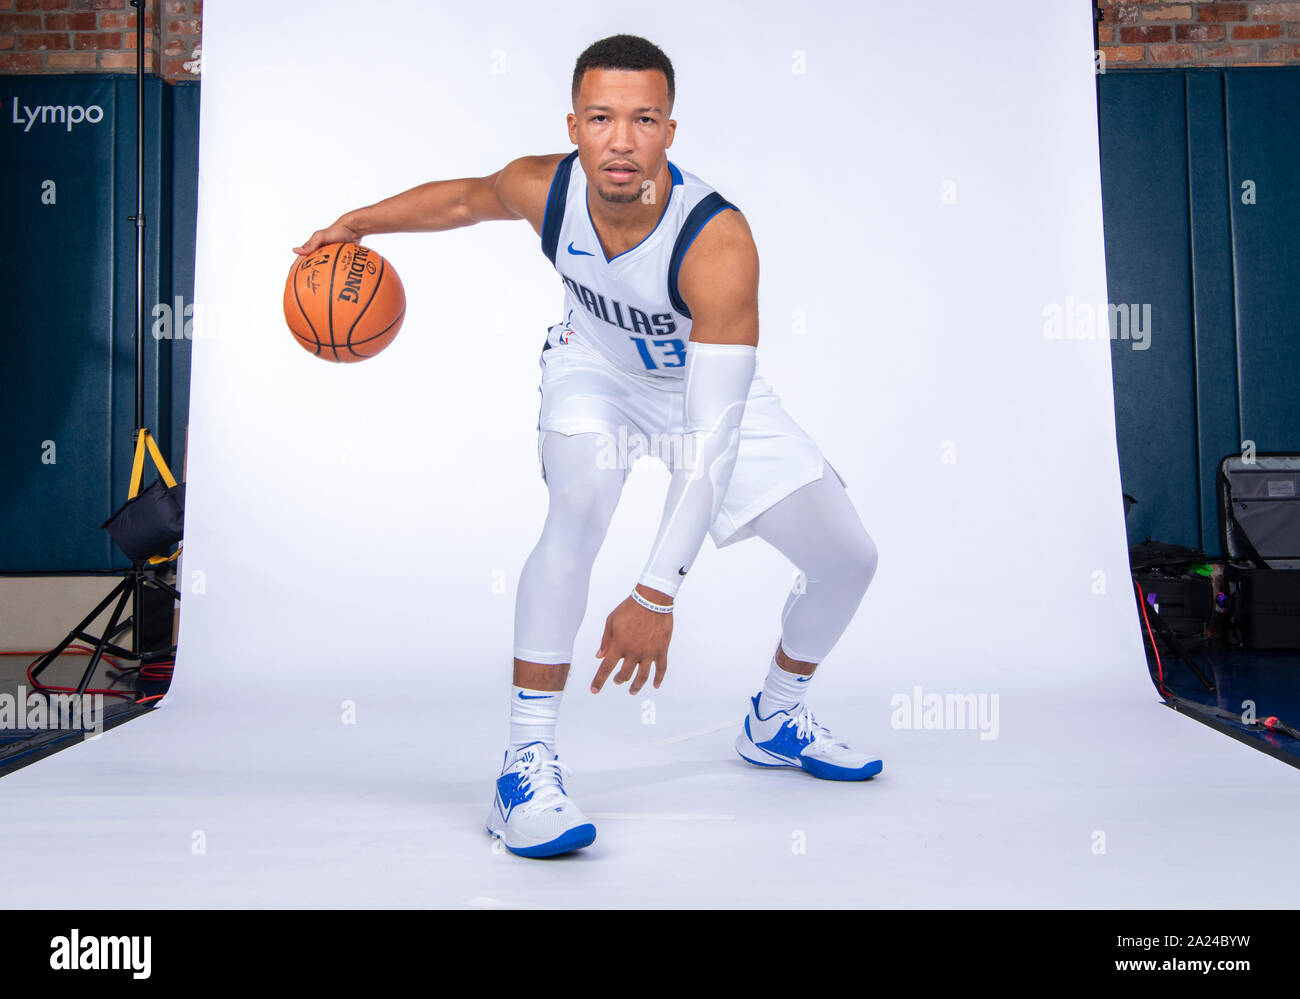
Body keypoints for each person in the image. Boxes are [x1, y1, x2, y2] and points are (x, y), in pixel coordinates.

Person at [294, 33, 882, 860]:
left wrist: (655, 594)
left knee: (850, 559)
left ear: (669, 131)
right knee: (578, 504)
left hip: (704, 397)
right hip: (594, 369)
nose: (621, 139)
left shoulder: (716, 243)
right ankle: (523, 764)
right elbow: (464, 200)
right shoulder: (544, 188)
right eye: (602, 117)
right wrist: (356, 223)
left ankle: (776, 716)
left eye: (644, 119)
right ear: (573, 123)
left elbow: (710, 442)